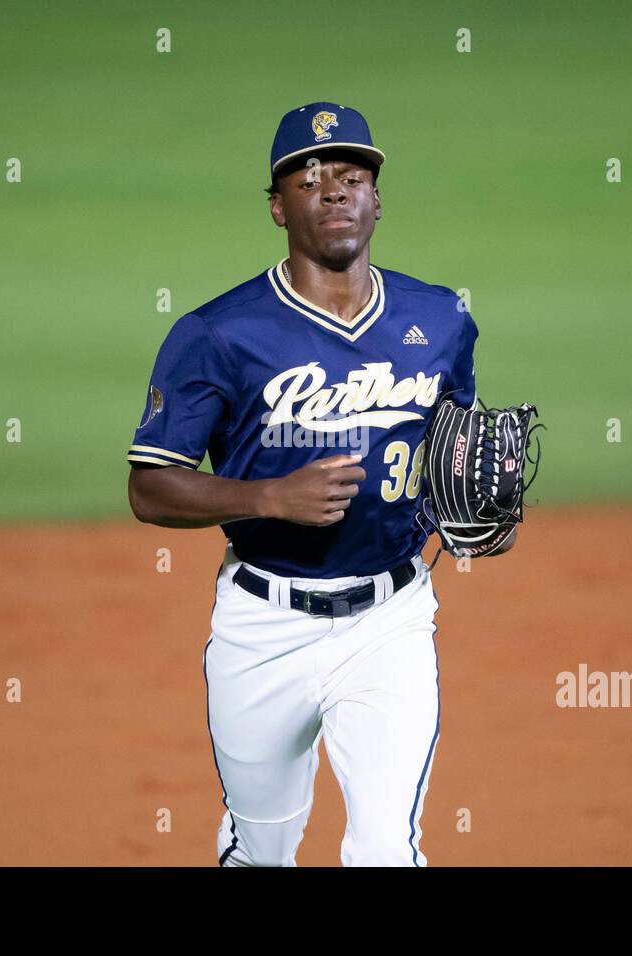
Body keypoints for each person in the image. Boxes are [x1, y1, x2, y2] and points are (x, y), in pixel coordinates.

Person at [127, 102, 514, 867]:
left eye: (352, 176)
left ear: (377, 199)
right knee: (260, 853)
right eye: (310, 179)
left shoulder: (440, 319)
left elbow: (454, 449)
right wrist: (268, 497)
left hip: (391, 623)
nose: (335, 191)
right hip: (261, 627)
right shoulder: (218, 333)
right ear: (278, 207)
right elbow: (151, 486)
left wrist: (468, 499)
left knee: (384, 852)